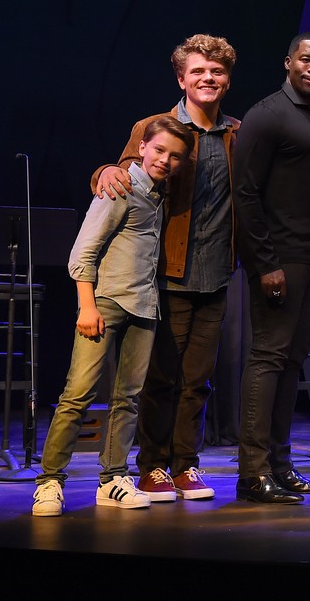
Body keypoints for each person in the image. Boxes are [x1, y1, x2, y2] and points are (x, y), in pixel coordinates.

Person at [91, 34, 239, 503]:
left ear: (227, 80)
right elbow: (121, 177)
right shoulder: (154, 127)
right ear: (181, 78)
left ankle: (186, 464)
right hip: (164, 274)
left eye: (216, 72)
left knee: (198, 379)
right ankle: (152, 465)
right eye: (198, 71)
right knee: (160, 377)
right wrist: (103, 172)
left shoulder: (237, 133)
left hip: (216, 273)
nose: (207, 79)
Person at [32, 117, 194, 516]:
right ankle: (50, 480)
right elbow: (82, 253)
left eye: (175, 156)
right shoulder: (120, 187)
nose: (165, 160)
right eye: (159, 151)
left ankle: (113, 478)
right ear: (142, 148)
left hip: (144, 308)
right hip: (104, 304)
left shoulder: (159, 196)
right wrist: (87, 307)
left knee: (129, 398)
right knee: (78, 394)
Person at [233, 32, 310, 503]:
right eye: (305, 60)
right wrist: (265, 263)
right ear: (288, 62)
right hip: (281, 258)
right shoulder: (266, 115)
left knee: (292, 362)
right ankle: (253, 472)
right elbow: (245, 193)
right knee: (269, 358)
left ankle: (280, 464)